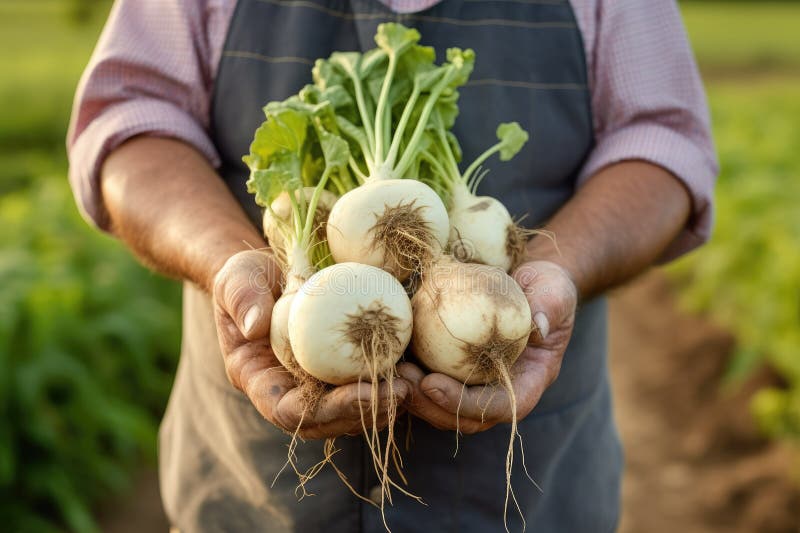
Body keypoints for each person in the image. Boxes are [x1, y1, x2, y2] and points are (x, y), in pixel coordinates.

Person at [67, 0, 717, 531]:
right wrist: (228, 261)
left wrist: (556, 267)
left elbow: (661, 140)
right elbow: (132, 118)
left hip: (530, 497)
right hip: (252, 496)